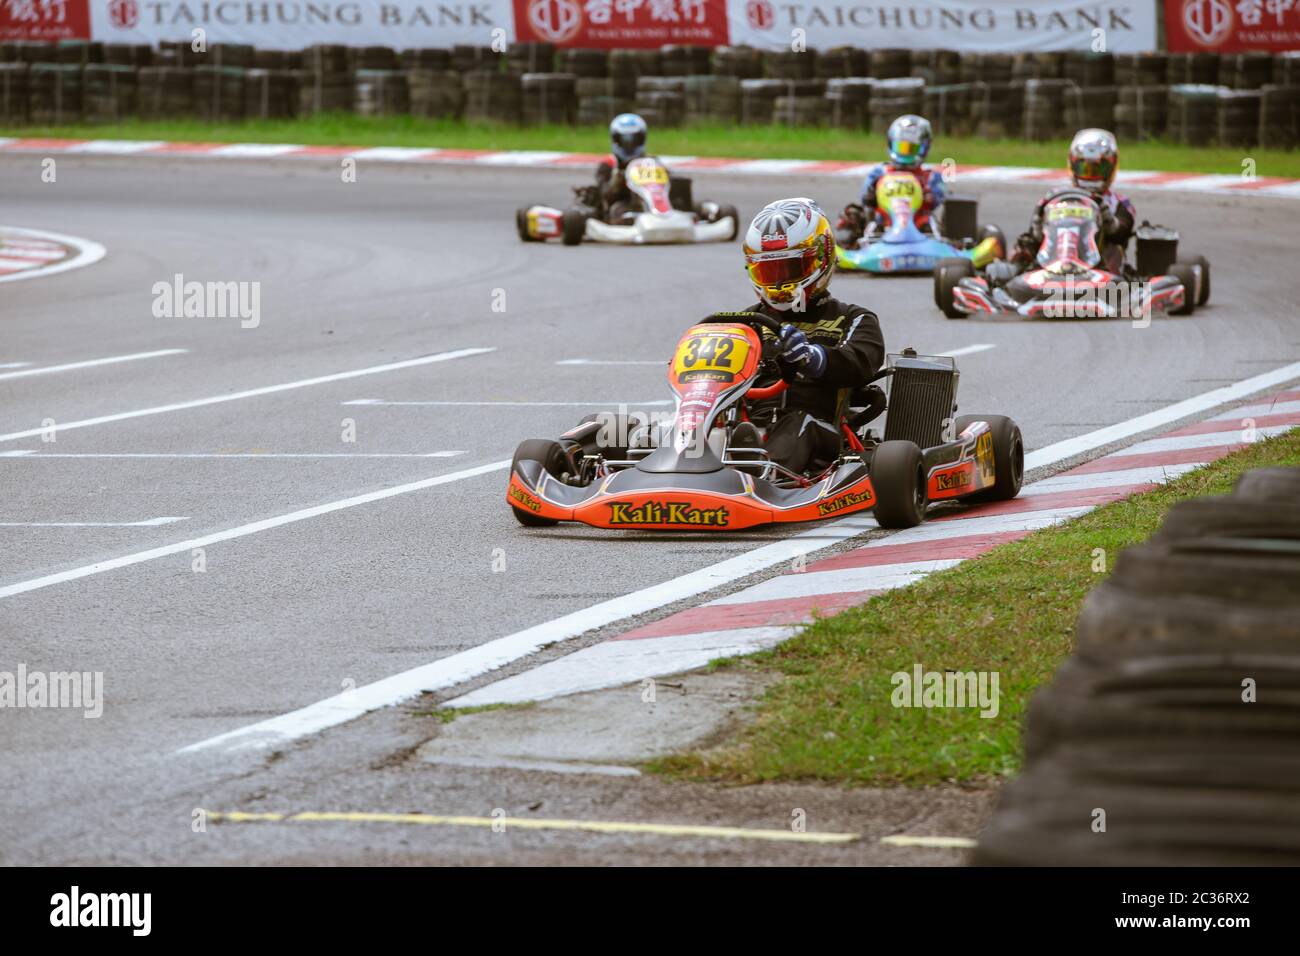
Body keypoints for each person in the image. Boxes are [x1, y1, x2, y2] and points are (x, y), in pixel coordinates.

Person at [735, 198, 886, 474]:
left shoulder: (853, 319)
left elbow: (860, 362)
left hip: (820, 430)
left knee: (799, 423)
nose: (779, 284)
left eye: (790, 269)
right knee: (692, 424)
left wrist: (813, 357)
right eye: (769, 271)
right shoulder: (743, 325)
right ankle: (670, 466)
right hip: (747, 427)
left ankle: (759, 476)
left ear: (822, 258)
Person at [1012, 128, 1136, 273]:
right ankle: (1031, 270)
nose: (1090, 175)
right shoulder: (1054, 198)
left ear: (1111, 168)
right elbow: (1035, 237)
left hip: (1101, 270)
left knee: (1114, 250)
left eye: (1097, 169)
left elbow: (1122, 232)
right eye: (1084, 168)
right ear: (1073, 165)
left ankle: (1106, 279)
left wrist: (1106, 218)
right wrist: (1038, 223)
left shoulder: (1119, 203)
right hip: (1052, 264)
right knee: (1023, 249)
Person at [836, 114, 945, 246]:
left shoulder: (931, 177)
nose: (905, 153)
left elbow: (939, 197)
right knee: (861, 218)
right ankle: (857, 244)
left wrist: (930, 196)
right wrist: (871, 195)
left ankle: (935, 242)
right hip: (884, 222)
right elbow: (864, 197)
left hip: (919, 222)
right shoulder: (880, 172)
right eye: (901, 148)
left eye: (912, 149)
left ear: (925, 147)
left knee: (929, 222)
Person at [591, 113, 648, 223]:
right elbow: (604, 194)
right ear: (615, 139)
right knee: (620, 213)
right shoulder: (609, 164)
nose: (629, 144)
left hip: (651, 203)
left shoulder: (650, 162)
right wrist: (618, 180)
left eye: (634, 139)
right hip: (623, 205)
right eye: (624, 140)